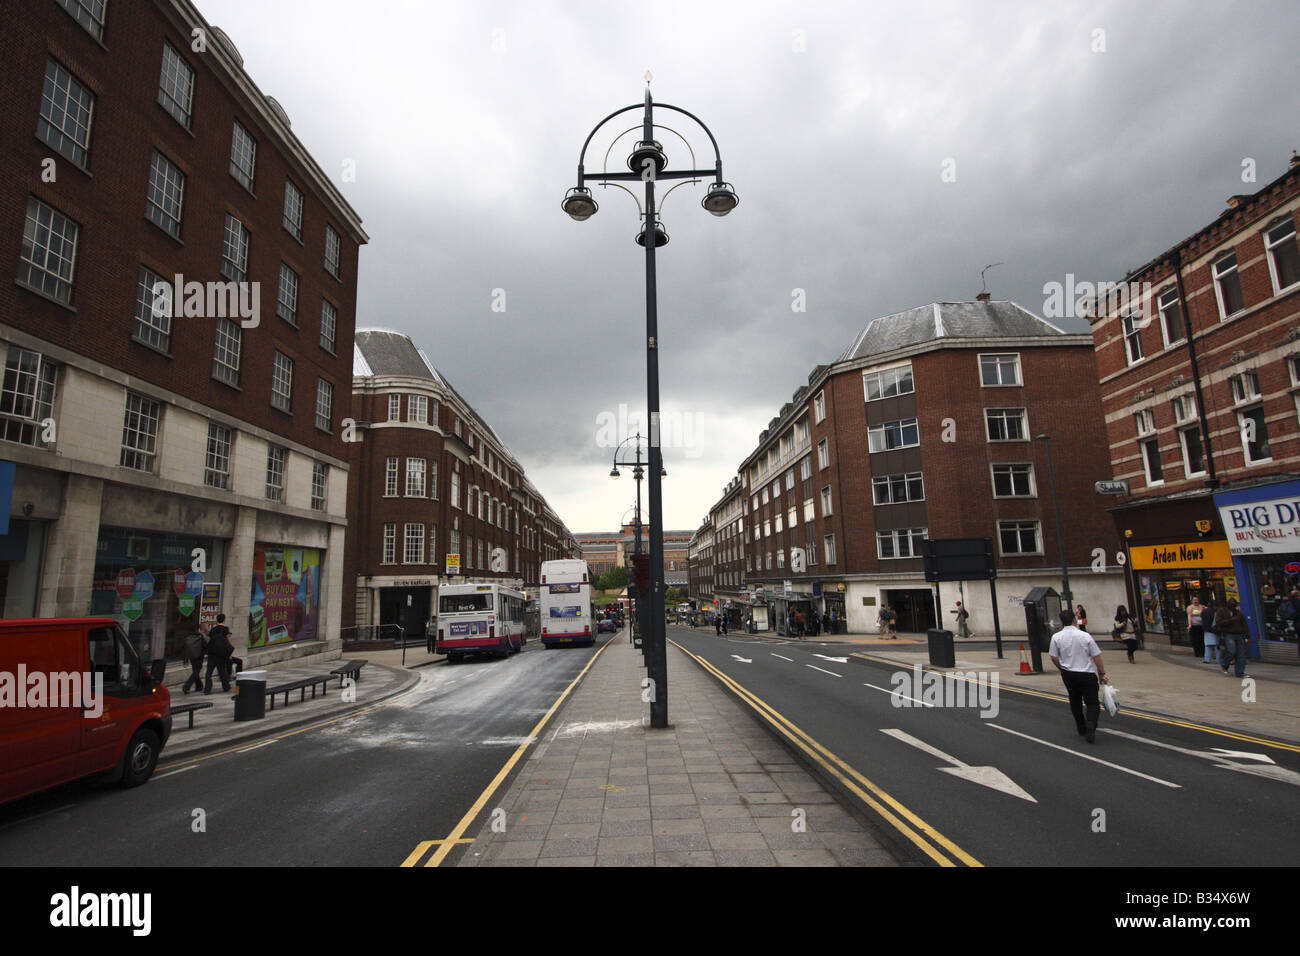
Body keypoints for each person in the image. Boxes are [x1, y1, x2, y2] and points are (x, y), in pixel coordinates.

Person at [1049, 607, 1110, 743]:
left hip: (1068, 674)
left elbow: (1053, 657)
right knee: (1092, 702)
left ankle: (1081, 728)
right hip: (1087, 673)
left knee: (1075, 701)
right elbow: (1096, 656)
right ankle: (1091, 723)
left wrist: (1061, 668)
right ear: (1074, 620)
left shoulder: (1056, 637)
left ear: (1061, 621)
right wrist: (1102, 673)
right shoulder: (1085, 636)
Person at [1216, 599, 1249, 677]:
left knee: (1241, 654)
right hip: (1228, 634)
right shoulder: (1222, 611)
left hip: (1239, 634)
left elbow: (1244, 624)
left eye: (1234, 605)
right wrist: (1230, 620)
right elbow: (1219, 623)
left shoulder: (1238, 613)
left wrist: (1247, 635)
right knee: (1231, 651)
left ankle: (1240, 672)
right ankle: (1224, 664)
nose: (1233, 606)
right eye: (1231, 604)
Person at [204, 613, 234, 694]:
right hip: (221, 654)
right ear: (224, 620)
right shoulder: (225, 629)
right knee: (222, 671)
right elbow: (227, 640)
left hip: (212, 653)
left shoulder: (213, 629)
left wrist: (206, 630)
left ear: (217, 620)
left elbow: (209, 638)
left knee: (209, 672)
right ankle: (226, 686)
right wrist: (229, 652)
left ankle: (207, 689)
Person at [182, 622, 208, 695]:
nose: (208, 628)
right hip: (199, 656)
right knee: (196, 672)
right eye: (207, 626)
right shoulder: (202, 636)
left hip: (192, 655)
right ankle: (187, 686)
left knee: (195, 671)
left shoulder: (193, 635)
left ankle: (199, 685)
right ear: (204, 628)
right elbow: (207, 645)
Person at [1202, 598, 1220, 664]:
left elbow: (1202, 619)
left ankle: (1207, 659)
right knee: (1217, 646)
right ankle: (1219, 659)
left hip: (1206, 630)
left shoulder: (1204, 611)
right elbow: (1215, 622)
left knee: (1208, 646)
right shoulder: (1215, 612)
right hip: (1213, 630)